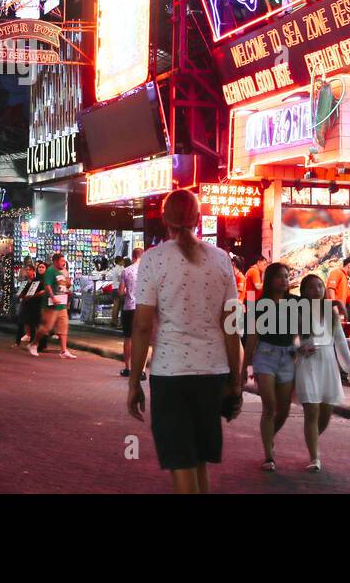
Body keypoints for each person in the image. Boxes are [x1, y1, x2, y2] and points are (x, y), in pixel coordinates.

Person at [127, 190, 243, 494]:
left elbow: (141, 326)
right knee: (199, 460)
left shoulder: (153, 260)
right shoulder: (220, 260)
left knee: (182, 462)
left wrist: (134, 382)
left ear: (165, 219)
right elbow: (232, 328)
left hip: (171, 373)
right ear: (197, 219)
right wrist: (236, 380)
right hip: (212, 373)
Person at [296, 273, 350, 472]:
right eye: (312, 287)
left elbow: (340, 341)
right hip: (307, 364)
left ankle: (310, 436)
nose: (317, 290)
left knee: (325, 415)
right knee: (311, 411)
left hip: (328, 365)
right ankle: (315, 457)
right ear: (304, 291)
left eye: (320, 287)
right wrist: (298, 347)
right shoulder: (298, 311)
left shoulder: (331, 313)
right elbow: (290, 337)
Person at [245, 262, 296, 472]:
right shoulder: (258, 304)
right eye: (279, 276)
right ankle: (268, 455)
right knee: (269, 405)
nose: (284, 280)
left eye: (286, 276)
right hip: (265, 355)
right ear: (270, 280)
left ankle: (269, 437)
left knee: (283, 411)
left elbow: (305, 326)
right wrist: (243, 368)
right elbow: (252, 337)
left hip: (287, 356)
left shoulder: (295, 302)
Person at [29, 253, 75, 359]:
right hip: (51, 304)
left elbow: (63, 285)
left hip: (62, 303)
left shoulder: (62, 272)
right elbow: (47, 285)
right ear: (55, 261)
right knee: (46, 327)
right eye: (62, 261)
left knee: (63, 326)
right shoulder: (50, 271)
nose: (64, 263)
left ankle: (63, 350)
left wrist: (67, 290)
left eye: (64, 261)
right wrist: (53, 297)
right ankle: (34, 344)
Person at [119, 251, 144, 378]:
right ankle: (142, 370)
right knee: (142, 339)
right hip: (144, 308)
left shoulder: (126, 271)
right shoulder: (148, 270)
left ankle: (127, 368)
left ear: (133, 257)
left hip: (129, 307)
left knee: (128, 338)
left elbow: (121, 292)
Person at [16, 263, 43, 346]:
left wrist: (32, 296)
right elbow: (21, 292)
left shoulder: (36, 281)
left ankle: (32, 342)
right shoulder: (25, 281)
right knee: (21, 322)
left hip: (33, 304)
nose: (27, 271)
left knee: (32, 324)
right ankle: (17, 342)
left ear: (33, 271)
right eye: (26, 270)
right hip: (24, 303)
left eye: (29, 270)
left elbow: (38, 292)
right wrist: (20, 295)